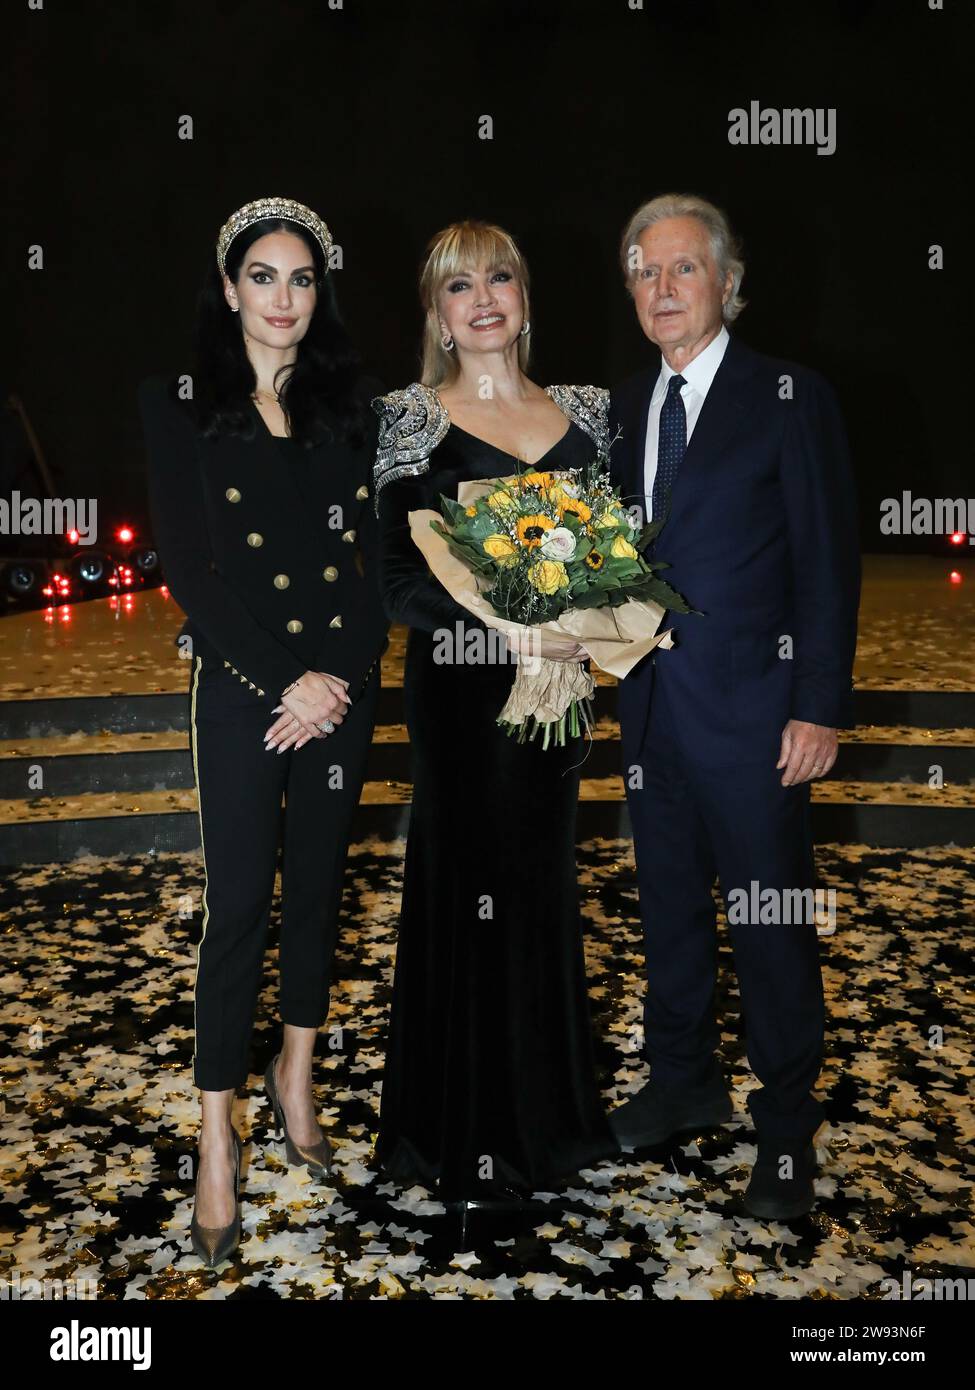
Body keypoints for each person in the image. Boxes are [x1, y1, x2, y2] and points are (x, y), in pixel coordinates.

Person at [138, 196, 389, 1266]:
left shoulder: (355, 409)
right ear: (228, 286)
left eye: (301, 279)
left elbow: (376, 561)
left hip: (340, 688)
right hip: (247, 688)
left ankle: (295, 1074)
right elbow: (190, 567)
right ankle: (215, 1136)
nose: (283, 298)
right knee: (238, 906)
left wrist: (338, 678)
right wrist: (290, 680)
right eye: (262, 276)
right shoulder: (180, 403)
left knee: (318, 892)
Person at [608, 193, 860, 1220]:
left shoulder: (790, 396)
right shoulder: (623, 405)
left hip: (758, 720)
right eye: (643, 271)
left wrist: (818, 706)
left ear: (726, 281)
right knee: (669, 913)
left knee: (768, 925)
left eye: (682, 268)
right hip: (650, 714)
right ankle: (682, 1082)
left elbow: (828, 559)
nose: (661, 288)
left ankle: (786, 1127)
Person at [372, 219, 619, 1206]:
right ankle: (463, 1136)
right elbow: (394, 577)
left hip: (560, 692)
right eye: (458, 285)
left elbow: (614, 553)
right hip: (462, 690)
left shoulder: (588, 414)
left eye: (499, 278)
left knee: (539, 886)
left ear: (524, 298)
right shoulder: (409, 419)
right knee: (467, 887)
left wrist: (593, 623)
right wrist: (505, 629)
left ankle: (549, 1124)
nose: (482, 299)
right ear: (437, 314)